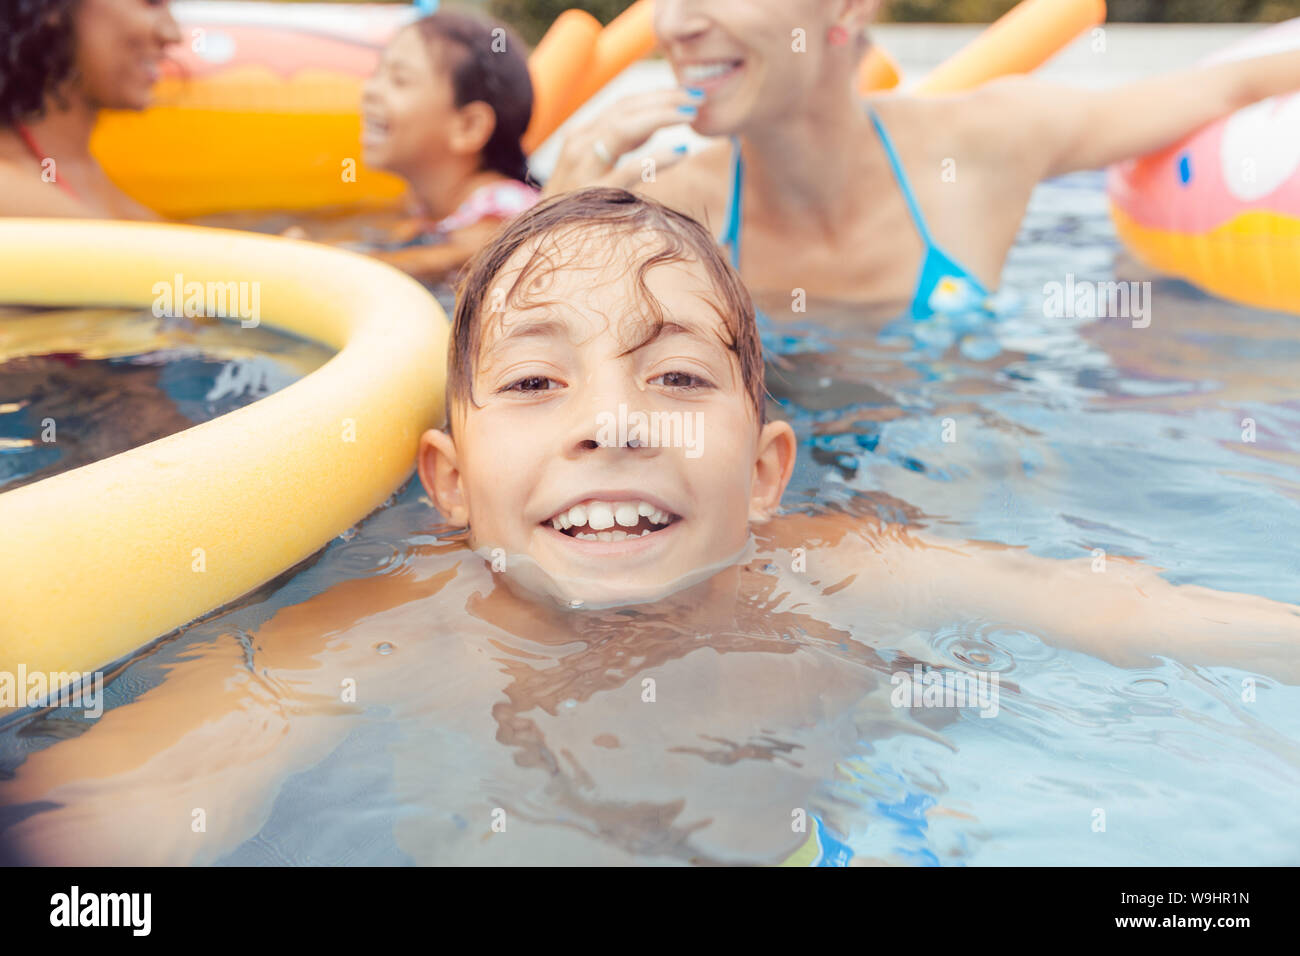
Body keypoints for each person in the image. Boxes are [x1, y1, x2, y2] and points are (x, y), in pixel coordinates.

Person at [3, 189, 1296, 866]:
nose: (614, 426)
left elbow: (1121, 612)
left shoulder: (848, 574)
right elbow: (122, 803)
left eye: (677, 379)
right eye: (534, 383)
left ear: (769, 465)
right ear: (446, 485)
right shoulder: (392, 635)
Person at [544, 0, 1300, 322]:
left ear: (845, 10)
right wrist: (557, 234)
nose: (675, 25)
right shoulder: (665, 212)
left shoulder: (986, 141)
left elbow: (1229, 84)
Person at [351, 9, 540, 283]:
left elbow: (464, 256)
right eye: (377, 73)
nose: (369, 90)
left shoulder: (501, 210)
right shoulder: (433, 209)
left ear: (468, 127)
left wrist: (347, 262)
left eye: (399, 80)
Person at [0, 0, 179, 218]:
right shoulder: (11, 193)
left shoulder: (78, 169)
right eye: (152, 3)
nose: (173, 34)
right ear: (52, 6)